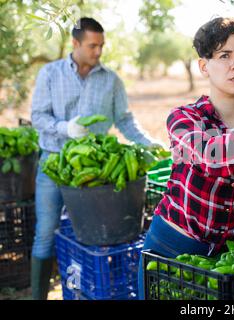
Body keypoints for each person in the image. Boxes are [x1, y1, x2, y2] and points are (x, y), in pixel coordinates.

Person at [137, 17, 234, 299]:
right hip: (173, 249)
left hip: (229, 256)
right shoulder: (184, 118)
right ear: (204, 66)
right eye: (224, 55)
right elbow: (210, 155)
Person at [30, 17, 163, 300]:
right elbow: (38, 117)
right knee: (45, 233)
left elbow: (124, 120)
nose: (98, 52)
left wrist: (149, 142)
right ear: (75, 44)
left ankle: (95, 289)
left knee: (98, 237)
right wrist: (64, 128)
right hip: (55, 165)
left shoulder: (111, 80)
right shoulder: (50, 74)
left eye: (101, 45)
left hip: (95, 172)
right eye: (92, 46)